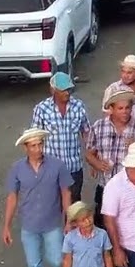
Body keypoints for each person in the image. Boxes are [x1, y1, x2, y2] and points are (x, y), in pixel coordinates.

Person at [3, 128, 73, 267]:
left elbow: (66, 192)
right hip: (29, 225)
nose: (37, 149)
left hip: (52, 223)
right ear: (26, 148)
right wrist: (6, 226)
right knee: (34, 265)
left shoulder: (57, 165)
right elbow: (12, 197)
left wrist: (68, 219)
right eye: (33, 145)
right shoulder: (17, 169)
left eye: (40, 144)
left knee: (57, 260)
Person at [86, 89, 135, 230]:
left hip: (132, 190)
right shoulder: (99, 126)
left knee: (129, 230)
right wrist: (97, 164)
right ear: (111, 109)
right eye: (120, 108)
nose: (125, 112)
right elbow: (89, 153)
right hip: (105, 186)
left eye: (128, 108)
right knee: (105, 229)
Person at [30, 72, 90, 202]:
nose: (67, 93)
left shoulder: (78, 106)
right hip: (50, 171)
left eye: (69, 89)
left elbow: (86, 132)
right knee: (52, 207)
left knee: (74, 209)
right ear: (53, 90)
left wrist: (92, 156)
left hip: (74, 169)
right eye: (63, 90)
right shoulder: (41, 109)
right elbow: (34, 140)